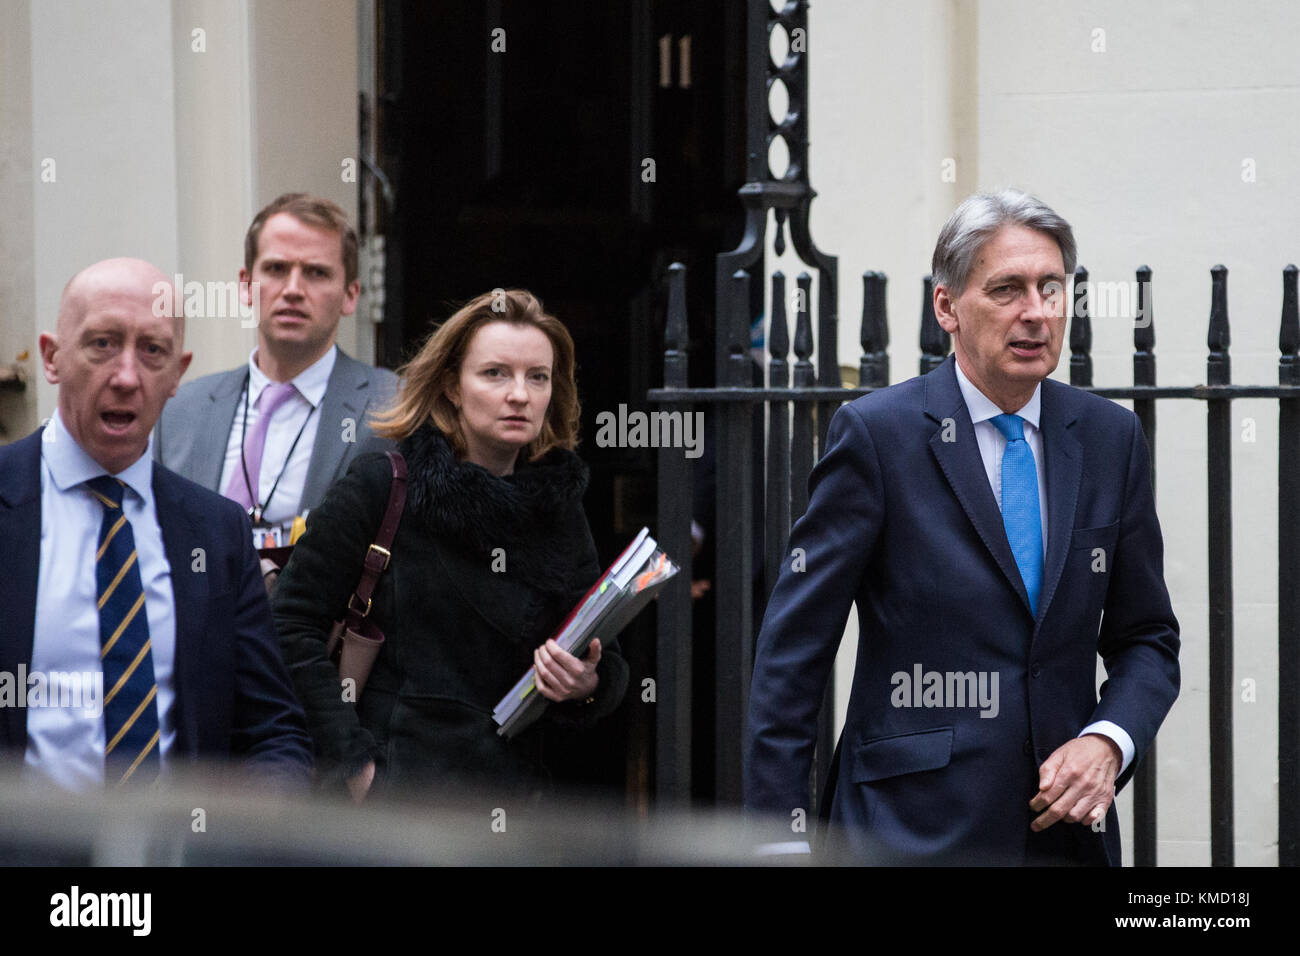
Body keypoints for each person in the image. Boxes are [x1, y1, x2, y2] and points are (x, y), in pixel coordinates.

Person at [744, 189, 1180, 865]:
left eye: (1050, 288)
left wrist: (1109, 739)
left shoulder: (1108, 437)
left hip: (1063, 838)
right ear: (946, 306)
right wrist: (777, 836)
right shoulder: (877, 436)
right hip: (906, 832)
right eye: (1006, 289)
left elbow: (1147, 638)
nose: (1035, 312)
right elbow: (793, 653)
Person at [273, 289, 629, 804]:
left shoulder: (557, 506)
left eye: (538, 377)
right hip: (395, 807)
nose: (519, 395)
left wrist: (586, 682)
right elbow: (291, 622)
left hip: (511, 810)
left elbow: (605, 655)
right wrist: (356, 766)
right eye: (495, 373)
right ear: (452, 387)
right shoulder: (385, 483)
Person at [0, 258, 312, 790]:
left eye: (152, 351)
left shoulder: (216, 532)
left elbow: (274, 733)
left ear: (177, 374)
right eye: (102, 343)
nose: (126, 377)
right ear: (52, 357)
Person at [156, 193, 397, 548]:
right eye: (276, 269)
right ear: (246, 285)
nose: (293, 290)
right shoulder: (178, 410)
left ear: (351, 295)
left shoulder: (394, 407)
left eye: (316, 273)